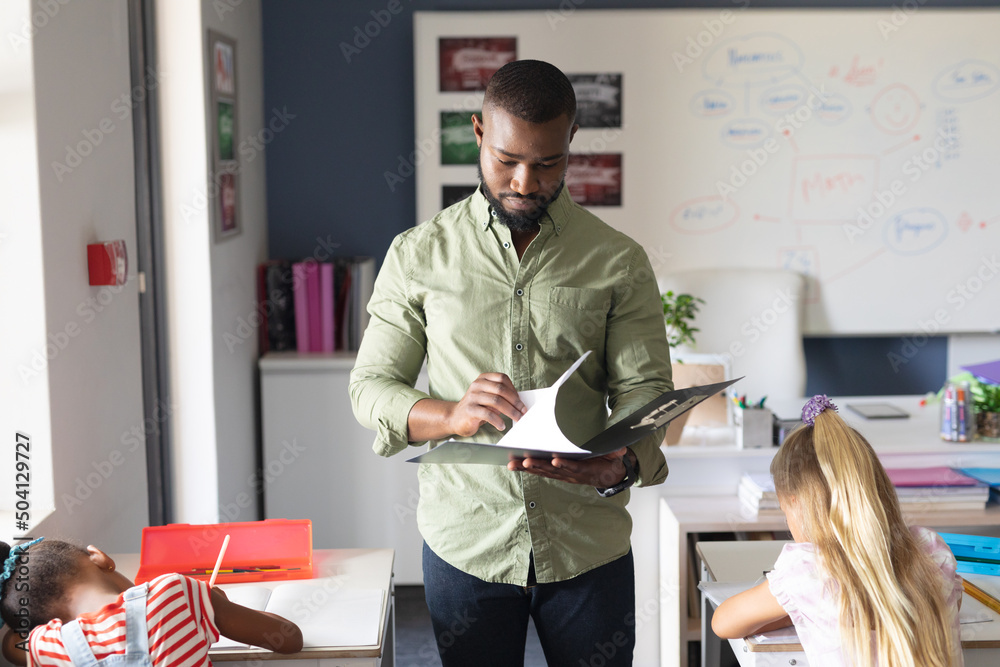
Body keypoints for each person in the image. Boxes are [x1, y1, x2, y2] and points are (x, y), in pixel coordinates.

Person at [349, 59, 672, 665]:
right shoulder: (418, 255)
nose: (525, 181)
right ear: (477, 133)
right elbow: (371, 388)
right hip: (465, 540)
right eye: (506, 160)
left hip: (587, 544)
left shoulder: (618, 261)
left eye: (547, 163)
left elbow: (648, 391)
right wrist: (450, 414)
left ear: (571, 142)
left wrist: (623, 462)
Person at [711, 396, 963, 667]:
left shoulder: (807, 569)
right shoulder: (931, 548)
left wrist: (793, 610)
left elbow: (723, 623)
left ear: (795, 502)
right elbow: (949, 605)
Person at [0, 537, 303, 667]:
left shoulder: (50, 645)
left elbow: (11, 644)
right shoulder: (174, 592)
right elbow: (289, 639)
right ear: (100, 558)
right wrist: (212, 602)